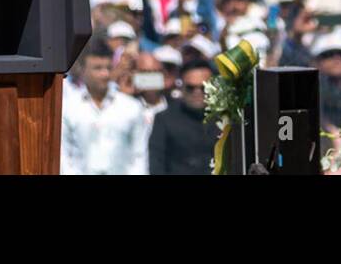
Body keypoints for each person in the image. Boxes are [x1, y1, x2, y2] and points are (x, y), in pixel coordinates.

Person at [61, 36, 150, 174]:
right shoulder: (69, 107)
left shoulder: (131, 107)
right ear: (83, 70)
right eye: (97, 68)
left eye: (108, 67)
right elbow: (65, 156)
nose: (105, 74)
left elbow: (139, 156)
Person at [149, 60, 221, 174]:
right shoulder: (164, 119)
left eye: (204, 87)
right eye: (190, 87)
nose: (197, 92)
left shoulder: (225, 119)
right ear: (181, 86)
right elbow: (156, 164)